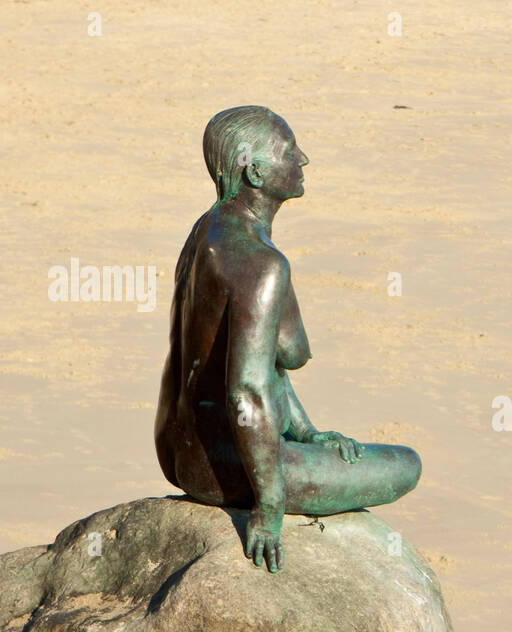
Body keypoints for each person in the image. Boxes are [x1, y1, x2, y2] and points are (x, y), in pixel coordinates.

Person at [154, 106, 421, 574]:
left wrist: (307, 433)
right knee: (404, 465)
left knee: (333, 450)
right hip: (221, 465)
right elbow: (248, 391)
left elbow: (259, 366)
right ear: (256, 171)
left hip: (178, 450)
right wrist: (269, 507)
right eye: (290, 150)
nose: (304, 159)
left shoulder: (208, 229)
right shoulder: (260, 264)